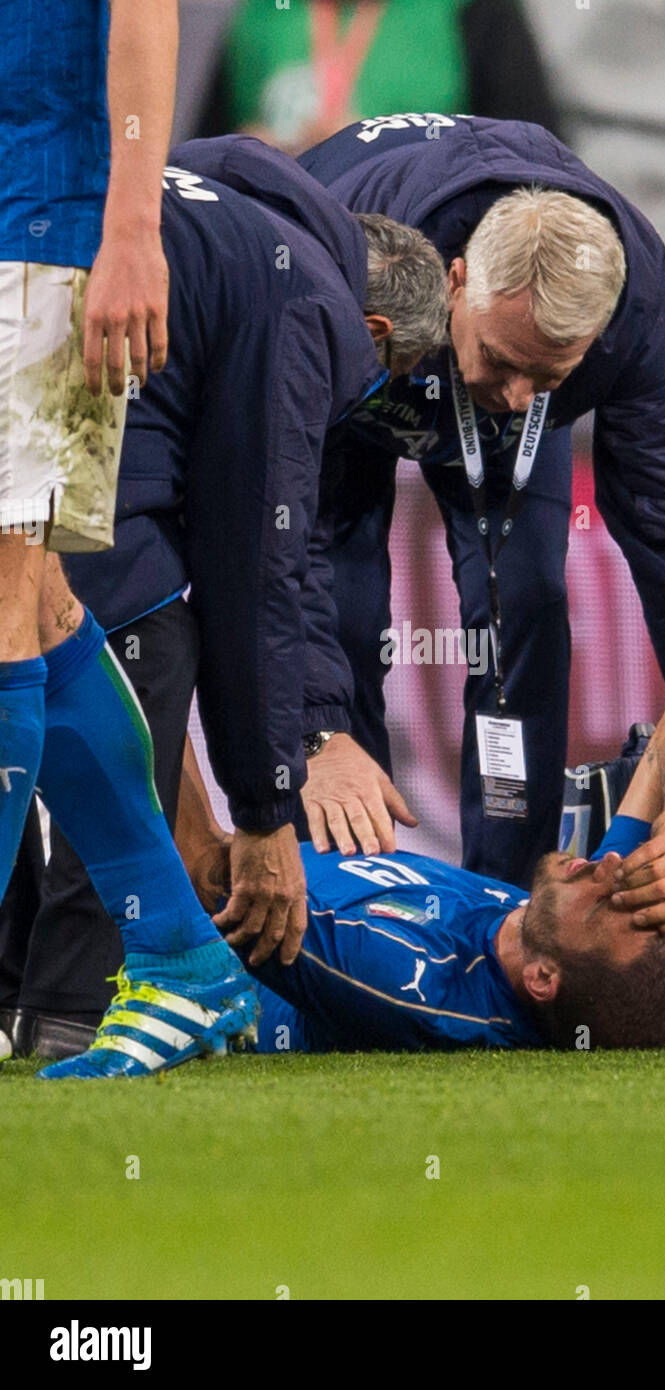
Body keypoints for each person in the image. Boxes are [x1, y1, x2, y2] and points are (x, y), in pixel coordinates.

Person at [7, 137, 448, 1073]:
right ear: (374, 338)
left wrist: (252, 803)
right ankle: (94, 988)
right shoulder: (306, 313)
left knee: (67, 620)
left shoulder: (230, 201)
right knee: (104, 630)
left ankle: (69, 998)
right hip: (48, 315)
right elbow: (256, 571)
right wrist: (264, 815)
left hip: (41, 286)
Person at [279, 114, 665, 890]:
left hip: (466, 382)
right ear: (457, 277)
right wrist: (314, 730)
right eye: (503, 360)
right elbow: (281, 521)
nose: (510, 398)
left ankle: (509, 906)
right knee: (338, 610)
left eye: (546, 376)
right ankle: (342, 901)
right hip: (348, 394)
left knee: (525, 605)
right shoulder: (343, 267)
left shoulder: (633, 311)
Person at [0, 1, 265, 1079]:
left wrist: (130, 228)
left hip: (43, 244)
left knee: (7, 610)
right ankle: (180, 954)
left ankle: (175, 951)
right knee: (49, 611)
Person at [207, 692, 665, 1057]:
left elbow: (206, 876)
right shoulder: (558, 922)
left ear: (543, 979)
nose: (612, 866)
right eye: (641, 888)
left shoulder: (411, 982)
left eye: (607, 900)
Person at [196, 0, 562, 155]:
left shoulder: (475, 11)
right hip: (280, 245)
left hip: (418, 262)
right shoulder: (262, 14)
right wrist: (244, 153)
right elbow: (199, 154)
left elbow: (533, 158)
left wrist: (380, 151)